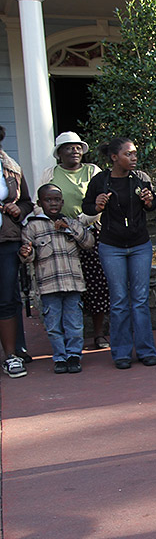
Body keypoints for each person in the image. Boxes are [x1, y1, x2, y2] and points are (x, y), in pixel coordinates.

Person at [82, 137, 156, 369]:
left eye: (135, 153)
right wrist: (96, 206)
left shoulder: (141, 179)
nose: (134, 158)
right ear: (114, 157)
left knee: (139, 300)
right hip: (111, 246)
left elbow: (153, 205)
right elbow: (86, 207)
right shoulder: (100, 181)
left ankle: (146, 351)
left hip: (139, 245)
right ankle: (121, 353)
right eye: (129, 154)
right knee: (118, 301)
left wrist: (149, 201)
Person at [39, 131, 109, 351]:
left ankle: (98, 334)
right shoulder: (50, 173)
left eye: (78, 147)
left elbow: (102, 201)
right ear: (59, 153)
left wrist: (80, 221)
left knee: (96, 283)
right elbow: (38, 201)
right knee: (66, 288)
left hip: (91, 230)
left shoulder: (93, 171)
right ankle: (66, 340)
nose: (75, 151)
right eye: (69, 147)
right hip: (59, 234)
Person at [20, 184, 95, 374]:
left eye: (56, 200)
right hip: (48, 286)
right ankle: (60, 357)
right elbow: (28, 256)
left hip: (73, 284)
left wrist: (70, 229)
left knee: (75, 324)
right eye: (48, 200)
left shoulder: (72, 222)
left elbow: (88, 242)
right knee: (53, 325)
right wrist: (26, 252)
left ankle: (73, 356)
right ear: (39, 203)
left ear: (62, 202)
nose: (53, 203)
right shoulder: (32, 227)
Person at [1, 127, 34, 379]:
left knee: (7, 298)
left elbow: (27, 202)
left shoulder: (11, 168)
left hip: (6, 240)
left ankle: (11, 355)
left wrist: (17, 210)